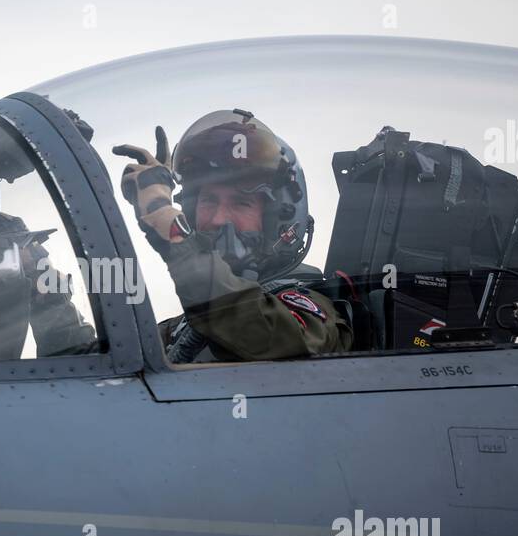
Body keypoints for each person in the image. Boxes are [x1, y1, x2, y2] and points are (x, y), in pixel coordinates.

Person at [113, 109, 352, 363]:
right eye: (208, 201)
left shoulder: (311, 311)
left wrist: (167, 225)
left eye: (241, 203)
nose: (218, 219)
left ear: (277, 220)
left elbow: (263, 334)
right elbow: (105, 366)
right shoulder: (187, 326)